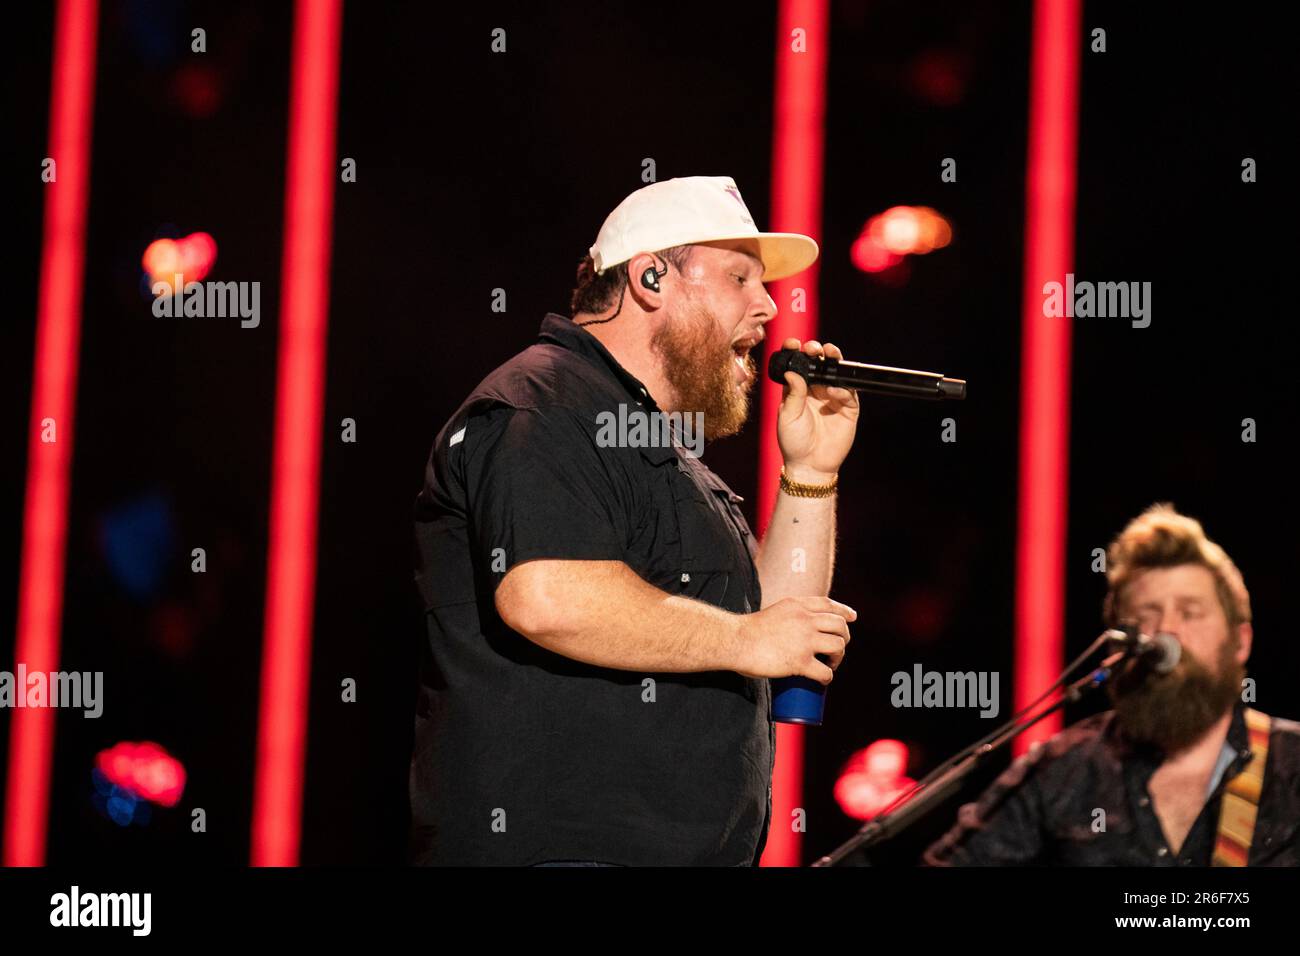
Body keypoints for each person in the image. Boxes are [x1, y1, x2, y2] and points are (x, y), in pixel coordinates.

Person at [409, 175, 862, 865]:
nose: (768, 305)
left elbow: (773, 629)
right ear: (652, 276)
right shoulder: (545, 401)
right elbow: (547, 595)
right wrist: (746, 639)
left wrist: (811, 473)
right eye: (740, 277)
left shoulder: (663, 447)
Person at [923, 503, 1300, 866]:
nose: (1166, 631)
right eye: (1145, 616)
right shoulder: (1061, 771)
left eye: (1190, 612)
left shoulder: (1292, 763)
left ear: (1241, 641)